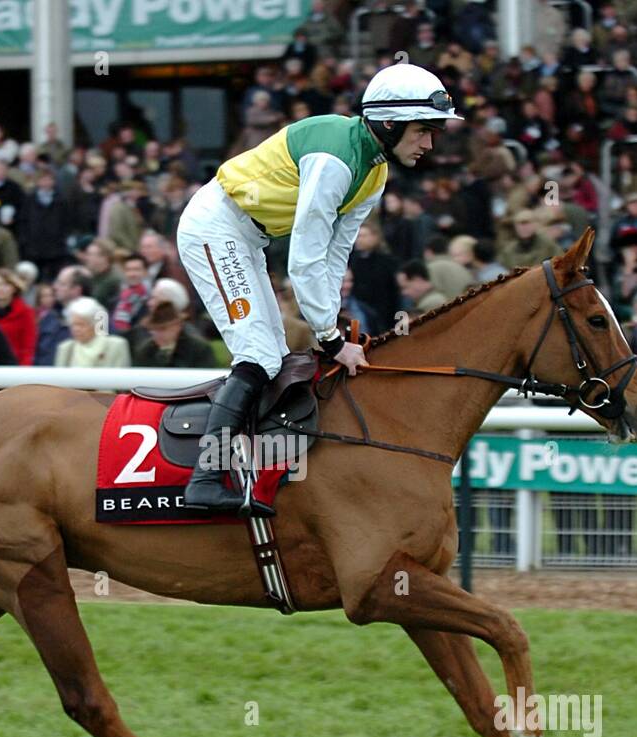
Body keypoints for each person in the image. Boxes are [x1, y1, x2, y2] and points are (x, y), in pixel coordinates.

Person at [175, 62, 459, 514]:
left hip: (248, 236)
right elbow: (304, 258)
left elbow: (334, 256)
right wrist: (329, 338)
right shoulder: (334, 160)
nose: (429, 143)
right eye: (423, 130)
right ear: (389, 123)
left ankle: (244, 466)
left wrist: (334, 329)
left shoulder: (374, 172)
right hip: (214, 226)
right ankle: (205, 479)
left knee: (273, 354)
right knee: (258, 354)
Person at [0, 267, 37, 365]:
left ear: (13, 287)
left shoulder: (26, 313)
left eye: (5, 284)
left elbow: (28, 348)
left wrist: (24, 372)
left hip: (14, 368)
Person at [132, 301, 217, 367]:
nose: (156, 334)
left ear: (177, 326)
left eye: (162, 329)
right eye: (153, 329)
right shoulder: (145, 351)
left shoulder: (199, 349)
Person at [54, 296, 131, 368]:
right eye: (73, 325)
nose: (76, 329)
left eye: (81, 325)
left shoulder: (116, 346)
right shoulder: (66, 348)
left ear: (95, 325)